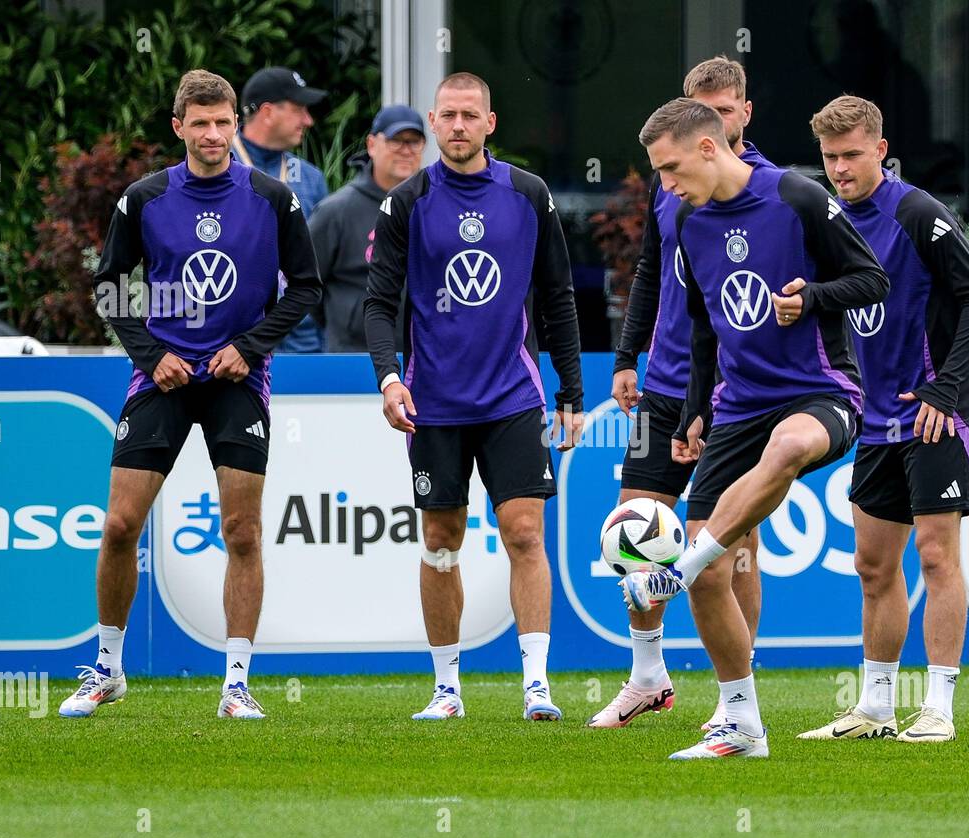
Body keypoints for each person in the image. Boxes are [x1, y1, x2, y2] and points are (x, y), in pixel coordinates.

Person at [621, 98, 889, 759]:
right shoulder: (687, 219)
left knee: (790, 445)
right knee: (717, 576)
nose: (667, 185)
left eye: (673, 168)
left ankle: (677, 568)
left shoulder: (798, 196)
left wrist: (813, 299)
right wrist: (695, 409)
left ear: (710, 148)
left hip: (823, 391)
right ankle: (742, 724)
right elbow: (703, 321)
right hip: (736, 404)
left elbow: (871, 278)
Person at [62, 70, 321, 720]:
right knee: (121, 524)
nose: (212, 135)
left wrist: (251, 346)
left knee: (240, 530)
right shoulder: (145, 198)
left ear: (237, 124)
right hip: (163, 378)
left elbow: (308, 289)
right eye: (199, 124)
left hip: (239, 380)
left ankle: (236, 684)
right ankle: (108, 669)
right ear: (178, 128)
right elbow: (110, 287)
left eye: (222, 122)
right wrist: (154, 356)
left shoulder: (273, 198)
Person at [363, 72, 584, 722]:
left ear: (491, 123)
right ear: (434, 122)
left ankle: (537, 685)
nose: (458, 126)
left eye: (471, 115)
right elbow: (379, 302)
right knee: (441, 537)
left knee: (524, 533)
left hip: (514, 398)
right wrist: (388, 376)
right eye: (448, 115)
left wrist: (571, 390)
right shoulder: (406, 201)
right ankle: (446, 688)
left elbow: (558, 297)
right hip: (434, 403)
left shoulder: (527, 193)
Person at [799, 95, 969, 744]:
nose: (841, 169)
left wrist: (945, 389)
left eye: (852, 155)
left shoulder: (916, 212)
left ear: (880, 149)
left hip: (936, 416)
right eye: (830, 158)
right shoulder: (825, 223)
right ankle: (876, 707)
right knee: (873, 567)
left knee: (937, 557)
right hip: (874, 420)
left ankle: (938, 706)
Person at [589, 55, 771, 731]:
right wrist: (627, 355)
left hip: (737, 393)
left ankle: (738, 699)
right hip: (663, 385)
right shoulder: (673, 185)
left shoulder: (770, 191)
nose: (712, 126)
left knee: (734, 543)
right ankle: (647, 675)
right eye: (701, 111)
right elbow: (651, 272)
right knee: (635, 529)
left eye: (724, 112)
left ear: (743, 114)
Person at [311, 105, 426, 353]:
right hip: (354, 358)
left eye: (414, 142)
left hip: (420, 356)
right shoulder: (336, 211)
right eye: (397, 141)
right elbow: (305, 284)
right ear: (372, 144)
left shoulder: (432, 207)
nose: (406, 150)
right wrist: (349, 322)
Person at [234, 66, 330, 352]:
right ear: (267, 112)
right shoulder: (217, 167)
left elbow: (324, 264)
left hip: (303, 345)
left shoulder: (311, 178)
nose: (308, 120)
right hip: (235, 345)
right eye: (299, 109)